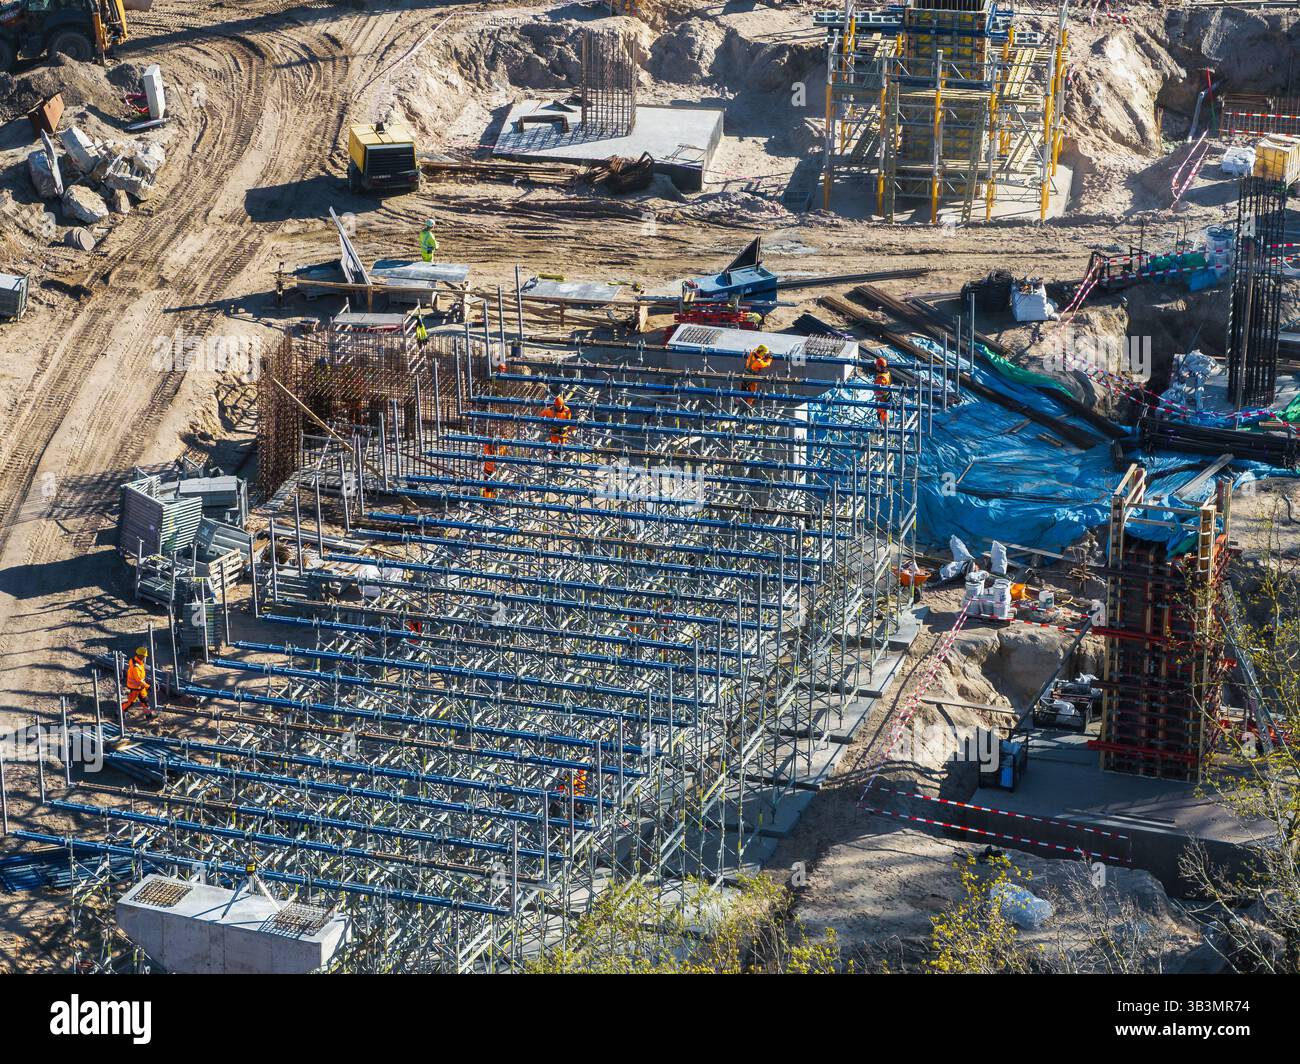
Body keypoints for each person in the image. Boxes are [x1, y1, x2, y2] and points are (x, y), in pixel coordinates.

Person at [122, 647, 155, 722]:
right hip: (135, 687)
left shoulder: (138, 661)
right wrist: (148, 686)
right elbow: (139, 680)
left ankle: (148, 715)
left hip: (140, 686)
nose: (144, 657)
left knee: (145, 700)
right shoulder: (136, 666)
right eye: (143, 656)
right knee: (131, 702)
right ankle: (121, 711)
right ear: (139, 655)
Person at [873, 355, 892, 427]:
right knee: (884, 413)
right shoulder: (887, 373)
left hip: (881, 399)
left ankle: (885, 429)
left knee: (881, 414)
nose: (876, 367)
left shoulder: (881, 379)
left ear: (881, 367)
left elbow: (877, 391)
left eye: (877, 366)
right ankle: (886, 426)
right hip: (886, 396)